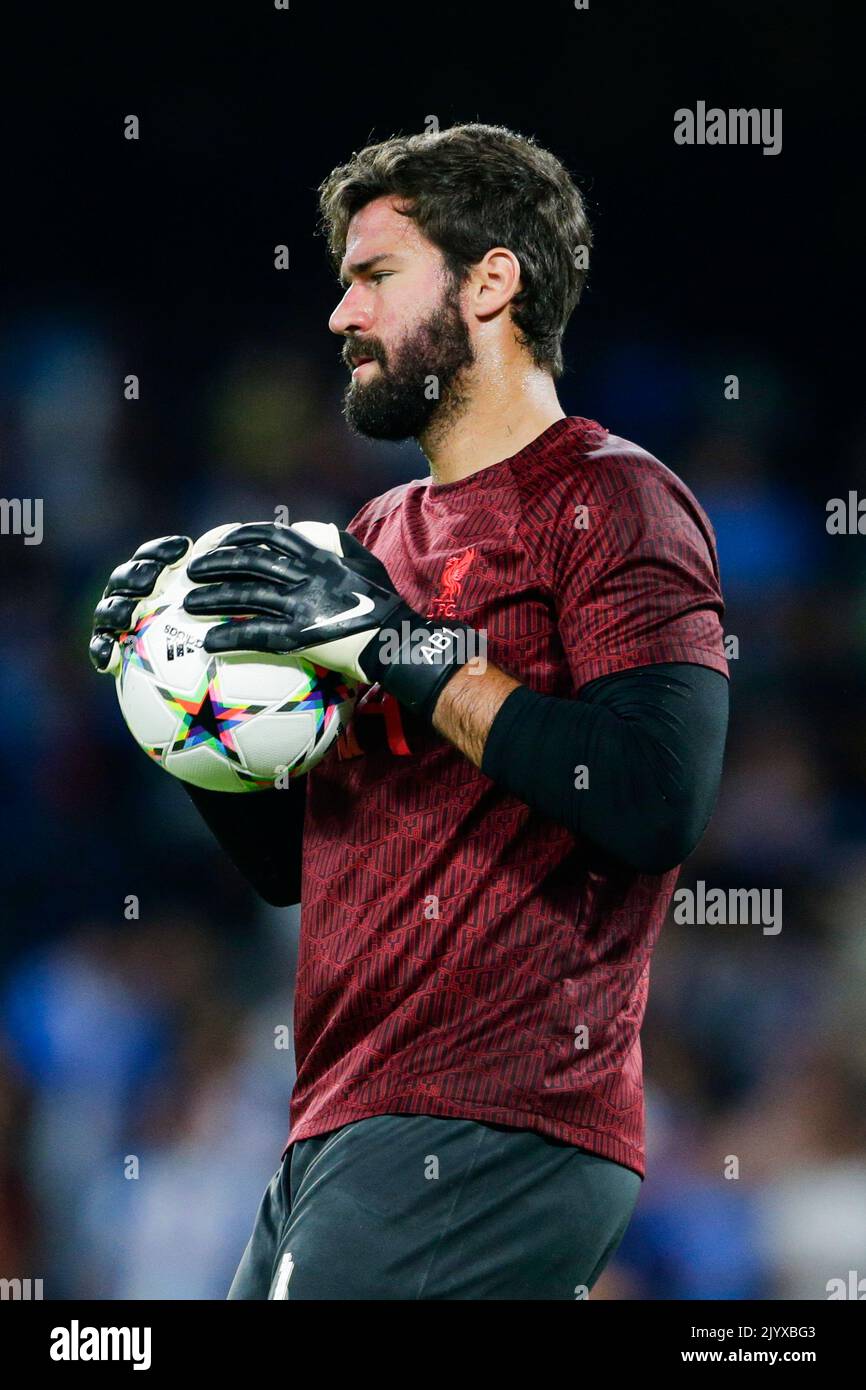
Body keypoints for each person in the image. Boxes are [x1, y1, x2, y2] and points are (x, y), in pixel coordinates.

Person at [90, 123, 729, 1300]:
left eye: (375, 275)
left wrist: (391, 643)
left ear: (493, 282)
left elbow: (652, 795)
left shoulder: (614, 498)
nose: (339, 314)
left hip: (495, 1113)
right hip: (346, 1117)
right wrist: (174, 699)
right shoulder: (371, 538)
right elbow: (292, 859)